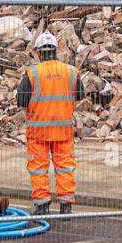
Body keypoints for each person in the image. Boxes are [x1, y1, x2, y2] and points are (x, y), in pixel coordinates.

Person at [17, 32, 87, 215]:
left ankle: (42, 206)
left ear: (39, 53)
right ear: (55, 50)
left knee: (38, 168)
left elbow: (21, 101)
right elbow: (80, 94)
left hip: (38, 132)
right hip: (63, 130)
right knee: (65, 167)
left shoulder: (32, 73)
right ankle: (66, 206)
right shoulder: (70, 71)